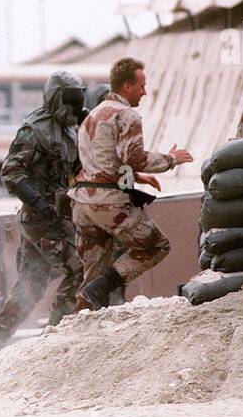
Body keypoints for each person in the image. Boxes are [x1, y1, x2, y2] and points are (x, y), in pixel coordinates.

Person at [68, 58, 193, 312]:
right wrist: (171, 160)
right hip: (108, 204)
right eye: (142, 86)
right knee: (157, 246)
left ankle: (83, 327)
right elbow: (132, 157)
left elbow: (104, 160)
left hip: (82, 205)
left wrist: (135, 177)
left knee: (91, 277)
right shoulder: (126, 115)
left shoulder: (92, 116)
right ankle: (103, 287)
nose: (145, 92)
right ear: (127, 87)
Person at [0, 71, 87, 351]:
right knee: (82, 268)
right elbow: (11, 172)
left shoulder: (69, 128)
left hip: (56, 217)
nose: (77, 105)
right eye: (71, 99)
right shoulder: (35, 130)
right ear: (56, 99)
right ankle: (56, 331)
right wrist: (41, 205)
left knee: (32, 283)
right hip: (42, 219)